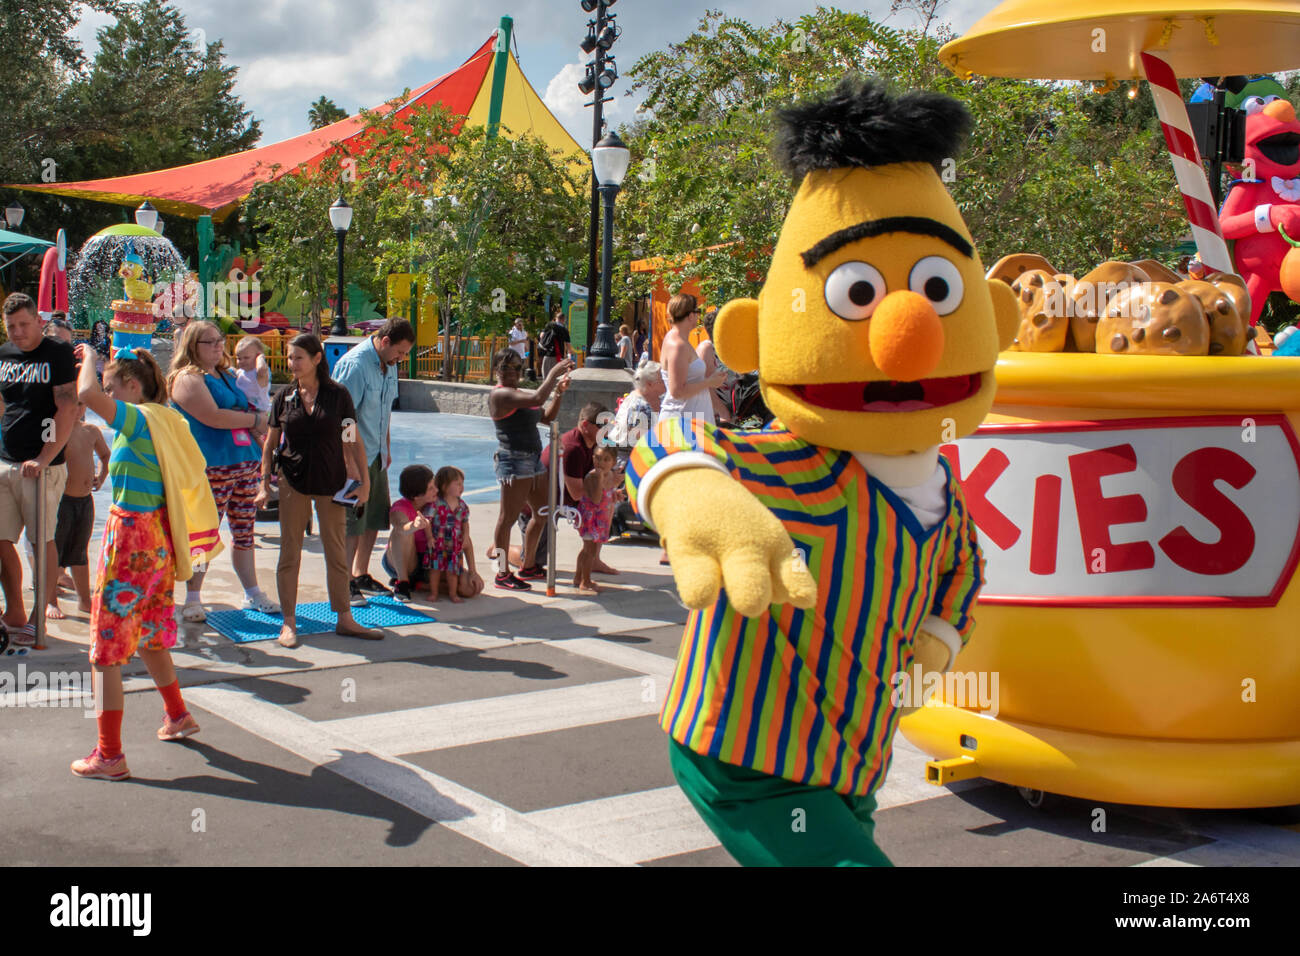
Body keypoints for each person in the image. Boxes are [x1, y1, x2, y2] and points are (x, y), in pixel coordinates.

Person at [69, 343, 213, 780]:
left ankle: (109, 755)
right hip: (157, 539)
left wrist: (89, 359)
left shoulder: (138, 418)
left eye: (113, 387)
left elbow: (86, 395)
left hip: (130, 539)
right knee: (150, 633)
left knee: (105, 650)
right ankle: (178, 715)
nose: (107, 396)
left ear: (132, 387)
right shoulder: (167, 419)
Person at [254, 333, 383, 648]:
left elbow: (351, 439)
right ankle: (289, 622)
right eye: (289, 357)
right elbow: (270, 444)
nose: (292, 363)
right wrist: (264, 482)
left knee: (336, 552)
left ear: (316, 359)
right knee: (290, 552)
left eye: (298, 357)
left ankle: (344, 618)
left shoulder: (337, 396)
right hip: (292, 481)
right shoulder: (283, 397)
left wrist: (364, 482)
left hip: (331, 482)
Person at [168, 321, 277, 619]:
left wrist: (258, 425)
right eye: (210, 342)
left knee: (244, 532)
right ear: (193, 345)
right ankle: (193, 597)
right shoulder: (187, 378)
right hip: (212, 467)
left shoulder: (227, 375)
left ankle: (252, 591)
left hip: (245, 463)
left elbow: (249, 404)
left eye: (219, 340)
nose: (218, 346)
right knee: (204, 533)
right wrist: (255, 420)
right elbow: (213, 417)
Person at [0, 293, 79, 645]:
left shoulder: (57, 352)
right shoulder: (4, 354)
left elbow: (68, 407)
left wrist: (45, 458)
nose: (17, 332)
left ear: (38, 321)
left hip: (43, 465)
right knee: (2, 540)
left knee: (40, 540)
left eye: (23, 324)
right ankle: (15, 610)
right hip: (6, 460)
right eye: (11, 326)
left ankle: (38, 615)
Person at [332, 317, 415, 606]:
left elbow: (385, 409)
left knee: (374, 518)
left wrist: (386, 447)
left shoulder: (389, 364)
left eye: (405, 354)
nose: (401, 358)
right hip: (355, 456)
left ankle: (360, 574)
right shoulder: (355, 365)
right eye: (399, 352)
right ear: (385, 341)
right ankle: (343, 582)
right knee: (352, 523)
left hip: (376, 454)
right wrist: (350, 462)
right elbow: (343, 418)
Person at [487, 348, 572, 590]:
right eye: (505, 367)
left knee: (543, 511)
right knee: (507, 518)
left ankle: (528, 564)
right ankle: (502, 572)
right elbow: (537, 399)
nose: (512, 372)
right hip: (514, 460)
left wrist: (558, 392)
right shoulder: (499, 395)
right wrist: (553, 373)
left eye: (517, 367)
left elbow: (546, 416)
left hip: (532, 459)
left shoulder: (521, 395)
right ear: (496, 370)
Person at [547, 401, 621, 576]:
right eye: (602, 427)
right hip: (547, 505)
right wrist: (608, 484)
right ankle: (501, 548)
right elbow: (578, 494)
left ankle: (592, 563)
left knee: (591, 546)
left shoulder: (595, 444)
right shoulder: (573, 448)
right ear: (586, 425)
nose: (607, 432)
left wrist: (612, 489)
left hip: (579, 503)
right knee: (531, 559)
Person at [49, 402, 109, 618]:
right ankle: (50, 601)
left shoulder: (91, 430)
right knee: (53, 551)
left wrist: (101, 476)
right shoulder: (55, 429)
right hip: (61, 501)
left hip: (85, 500)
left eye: (81, 404)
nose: (77, 408)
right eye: (73, 404)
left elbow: (105, 455)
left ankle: (85, 600)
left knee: (80, 551)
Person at [660, 293, 726, 428]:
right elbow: (677, 391)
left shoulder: (679, 340)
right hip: (682, 422)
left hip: (690, 420)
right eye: (698, 311)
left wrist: (711, 380)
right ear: (690, 315)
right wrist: (710, 382)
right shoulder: (677, 345)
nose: (699, 316)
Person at [383, 464, 438, 603]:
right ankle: (402, 583)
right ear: (416, 496)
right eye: (431, 488)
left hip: (426, 562)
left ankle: (418, 584)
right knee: (401, 532)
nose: (436, 490)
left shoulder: (435, 505)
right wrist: (414, 525)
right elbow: (400, 526)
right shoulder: (400, 508)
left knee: (468, 587)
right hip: (404, 561)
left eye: (435, 485)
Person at [429, 465, 482, 602]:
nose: (462, 487)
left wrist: (465, 536)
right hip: (438, 545)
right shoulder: (436, 504)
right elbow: (428, 521)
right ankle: (433, 593)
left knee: (453, 572)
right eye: (457, 484)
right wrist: (429, 537)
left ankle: (453, 594)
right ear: (444, 486)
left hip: (454, 547)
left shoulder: (462, 506)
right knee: (435, 570)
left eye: (462, 483)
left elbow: (465, 523)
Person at [574, 445, 619, 594]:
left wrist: (616, 494)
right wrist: (599, 479)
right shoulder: (593, 476)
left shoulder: (610, 475)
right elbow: (596, 499)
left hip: (600, 518)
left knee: (587, 549)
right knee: (590, 551)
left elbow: (609, 493)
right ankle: (585, 581)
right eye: (598, 458)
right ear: (593, 458)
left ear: (613, 462)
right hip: (589, 518)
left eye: (606, 460)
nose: (601, 463)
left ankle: (578, 577)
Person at [606, 360, 665, 465]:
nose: (666, 382)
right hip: (631, 462)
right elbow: (638, 440)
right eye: (662, 380)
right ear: (650, 384)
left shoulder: (646, 397)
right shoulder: (639, 405)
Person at [697, 308, 734, 423]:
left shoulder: (722, 349)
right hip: (711, 413)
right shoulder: (706, 348)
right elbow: (707, 386)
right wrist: (723, 412)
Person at [233, 335, 272, 442]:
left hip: (260, 411)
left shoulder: (259, 374)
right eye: (239, 358)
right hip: (246, 411)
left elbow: (261, 369)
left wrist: (261, 358)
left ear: (257, 357)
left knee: (258, 439)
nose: (242, 361)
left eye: (246, 358)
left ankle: (265, 452)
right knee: (247, 439)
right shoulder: (240, 372)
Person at [538, 309, 570, 378]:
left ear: (556, 318)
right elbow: (568, 345)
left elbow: (541, 336)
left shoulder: (549, 325)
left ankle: (546, 384)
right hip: (558, 355)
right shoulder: (564, 330)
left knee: (546, 375)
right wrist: (569, 355)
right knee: (557, 375)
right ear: (563, 320)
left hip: (547, 354)